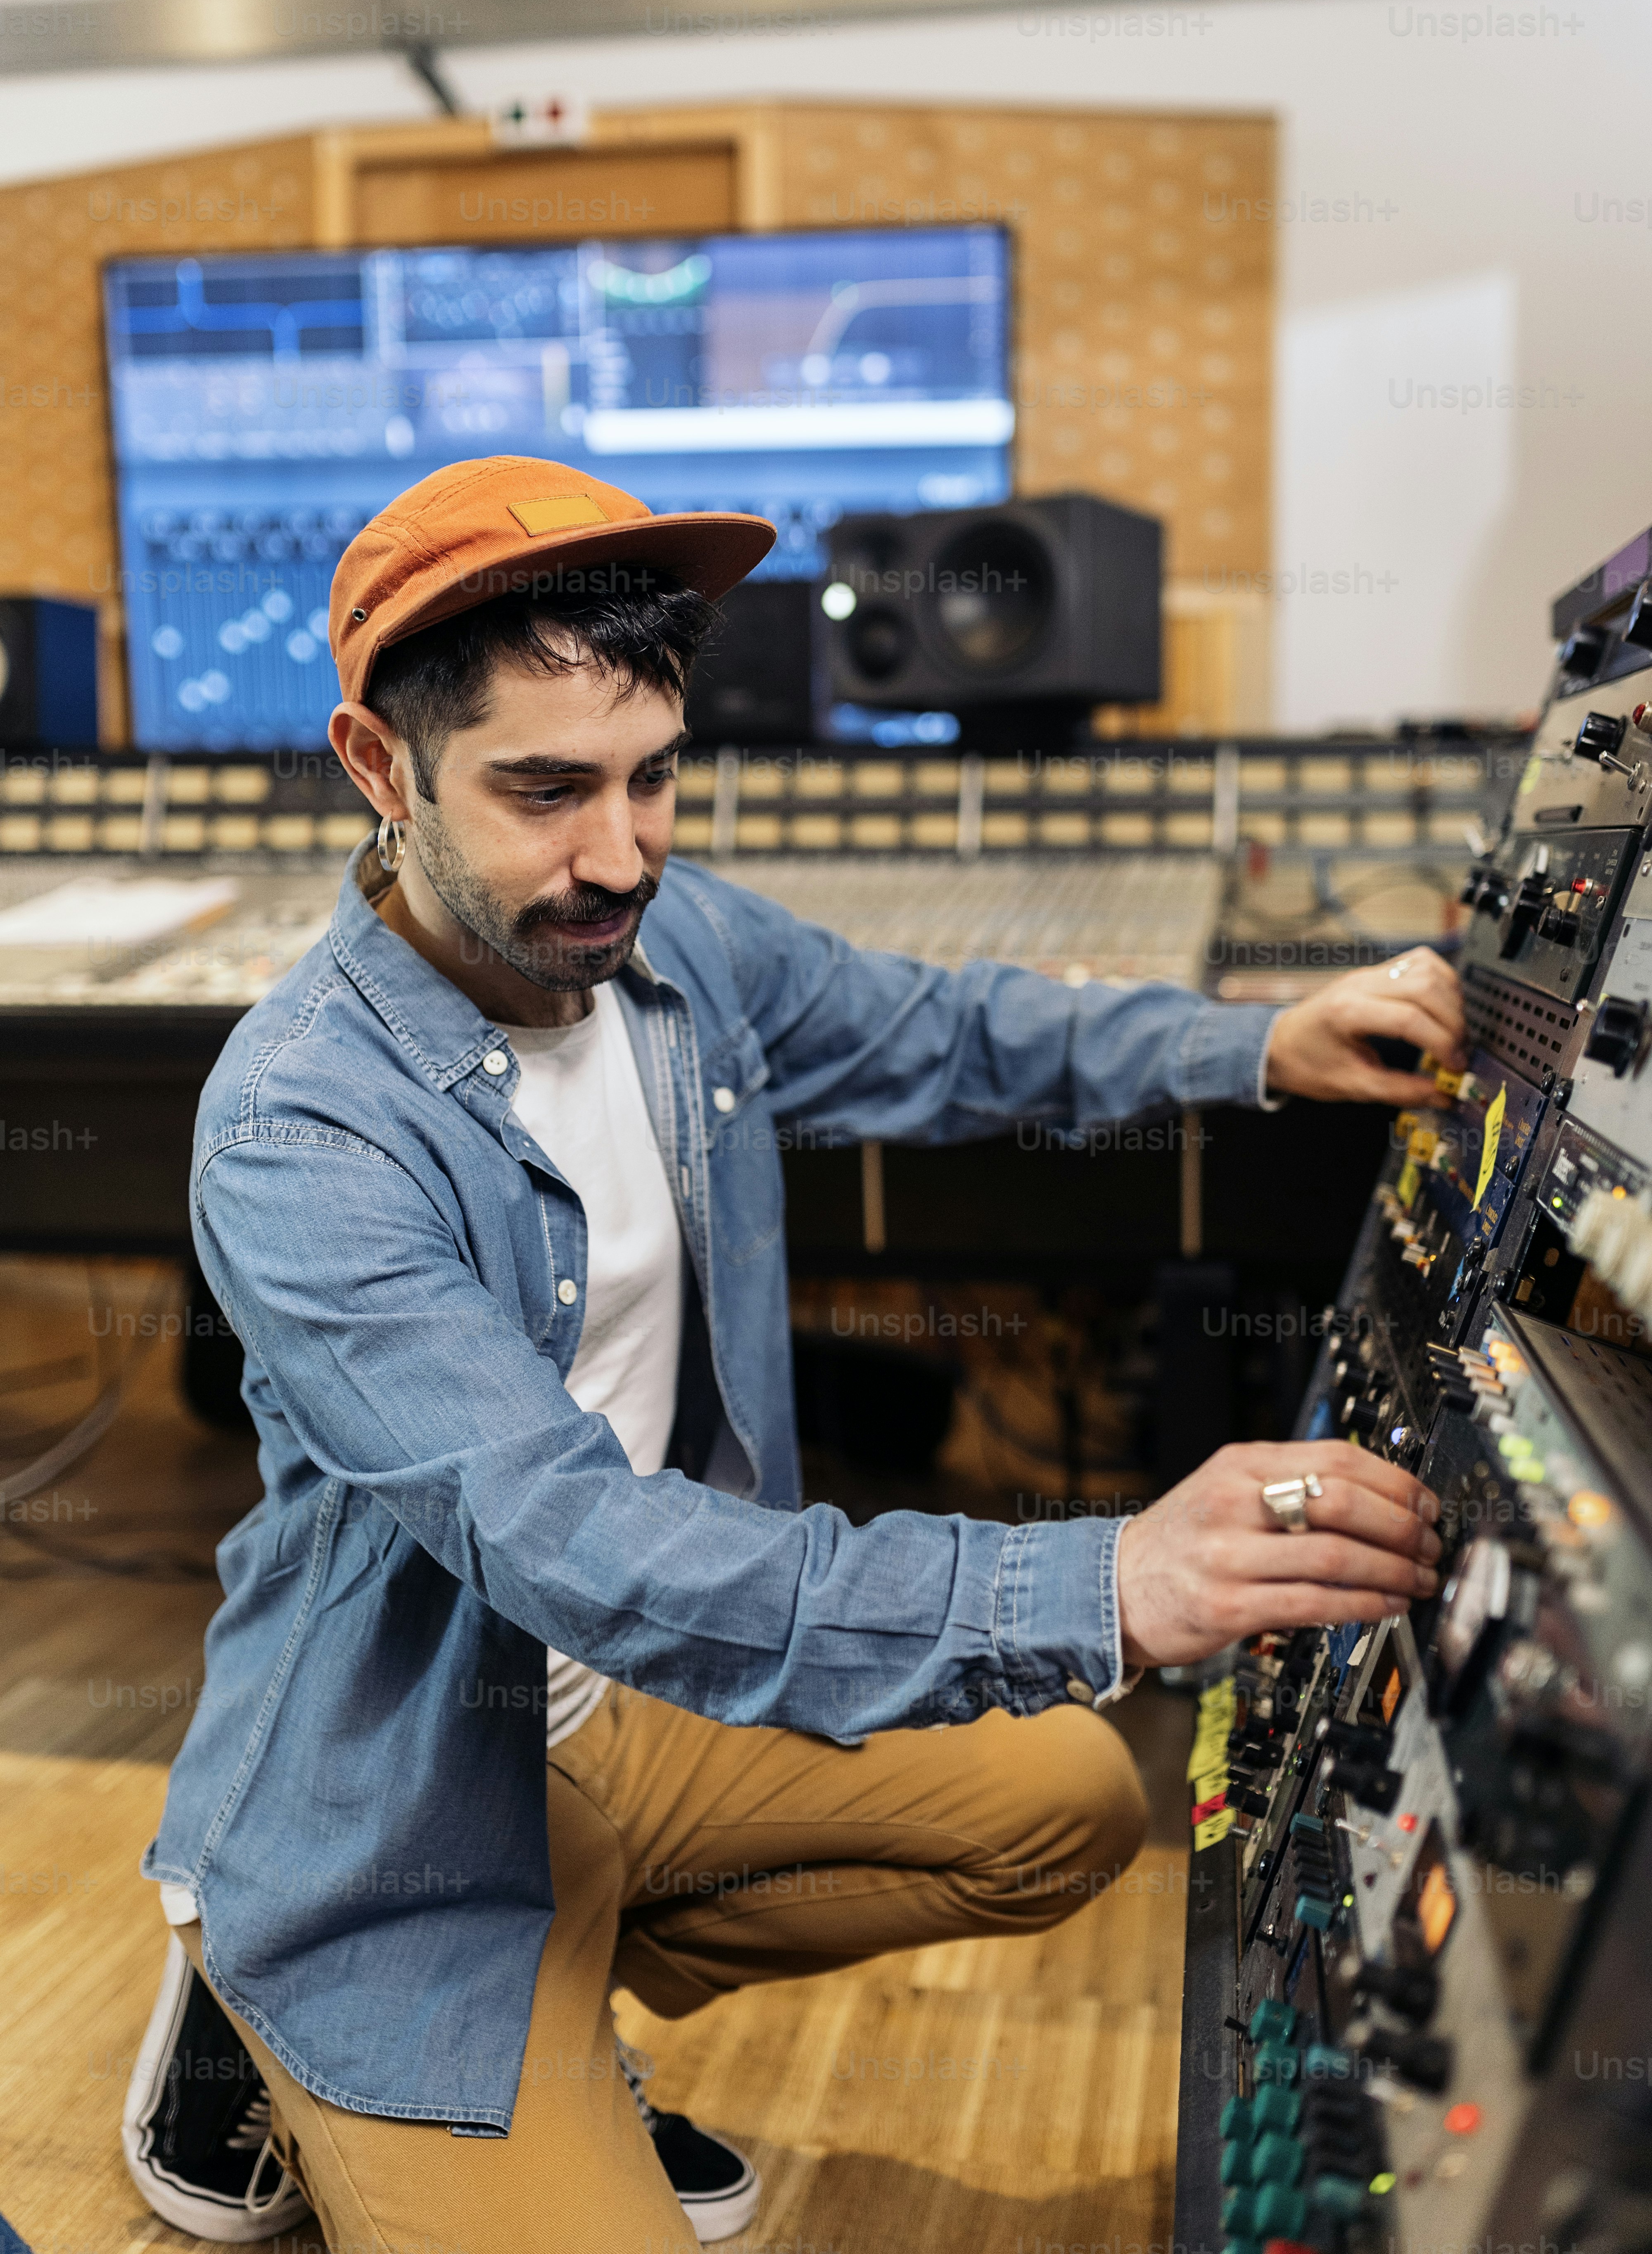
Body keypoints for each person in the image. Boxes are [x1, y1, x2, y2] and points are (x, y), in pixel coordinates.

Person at [122, 456, 1457, 2254]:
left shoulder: (675, 951)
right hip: (405, 1798)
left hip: (629, 1715)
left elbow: (947, 1033)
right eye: (540, 793)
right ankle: (275, 1993)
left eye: (650, 779)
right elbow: (579, 1547)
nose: (618, 856)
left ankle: (563, 2025)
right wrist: (1109, 1572)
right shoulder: (302, 1130)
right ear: (381, 769)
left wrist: (1257, 1040)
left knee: (1063, 1801)